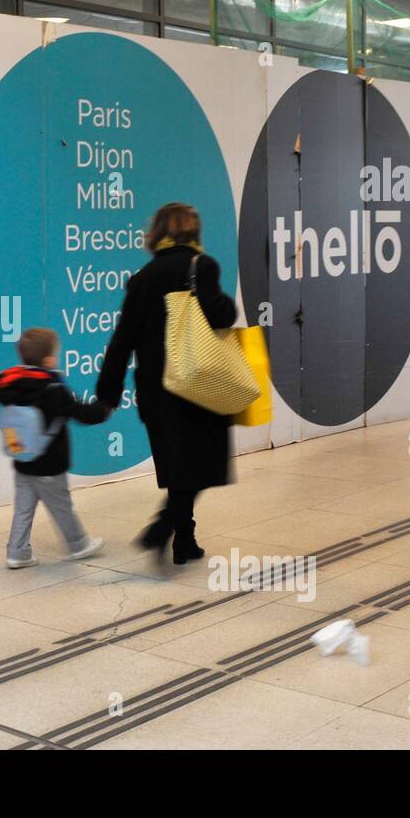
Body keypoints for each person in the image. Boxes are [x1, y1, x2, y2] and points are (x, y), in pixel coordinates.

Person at [96, 203, 237, 565]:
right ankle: (163, 527)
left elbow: (122, 339)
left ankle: (184, 540)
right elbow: (221, 314)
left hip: (156, 392)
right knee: (205, 462)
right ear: (193, 230)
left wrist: (107, 393)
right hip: (199, 384)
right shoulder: (200, 266)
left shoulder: (144, 276)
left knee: (178, 465)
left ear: (158, 231)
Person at [0, 328, 107, 569]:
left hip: (22, 458)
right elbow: (81, 413)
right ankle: (79, 544)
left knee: (23, 509)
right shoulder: (53, 388)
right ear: (49, 359)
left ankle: (17, 552)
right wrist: (104, 410)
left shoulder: (12, 383)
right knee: (61, 506)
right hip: (50, 463)